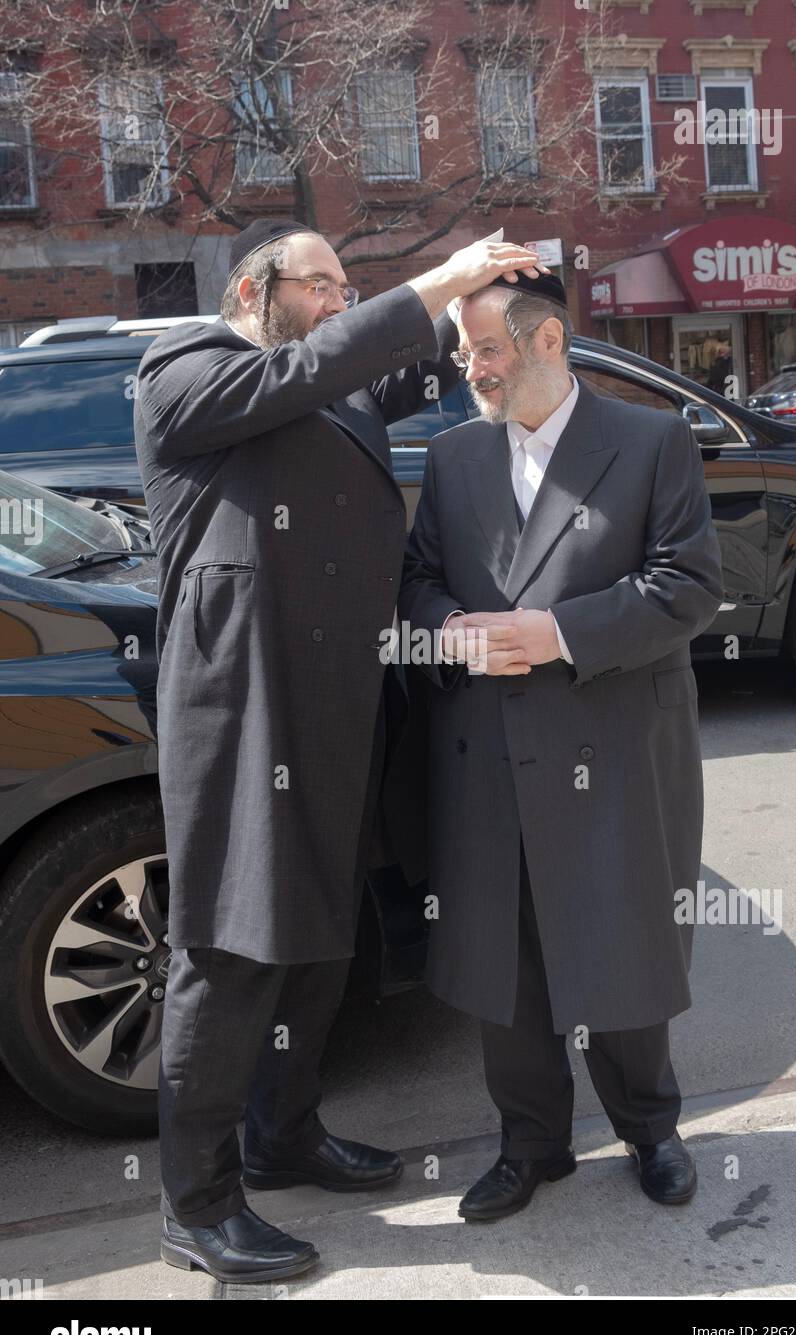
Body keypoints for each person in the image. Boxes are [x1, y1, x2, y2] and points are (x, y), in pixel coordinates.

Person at [133, 218, 550, 1280]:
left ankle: (284, 1133)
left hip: (337, 706)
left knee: (320, 933)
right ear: (250, 287)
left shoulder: (334, 386)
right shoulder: (185, 367)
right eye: (314, 283)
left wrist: (474, 309)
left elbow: (394, 367)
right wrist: (433, 278)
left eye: (340, 286)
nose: (330, 300)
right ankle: (196, 1201)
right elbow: (326, 360)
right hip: (242, 711)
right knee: (227, 951)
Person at [398, 270, 724, 1222]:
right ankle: (531, 1145)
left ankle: (651, 1130)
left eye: (487, 350)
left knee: (622, 942)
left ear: (549, 344)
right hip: (490, 751)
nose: (473, 371)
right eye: (463, 353)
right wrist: (449, 626)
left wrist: (560, 634)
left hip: (614, 743)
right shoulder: (456, 457)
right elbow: (417, 581)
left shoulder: (650, 440)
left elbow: (689, 586)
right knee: (509, 960)